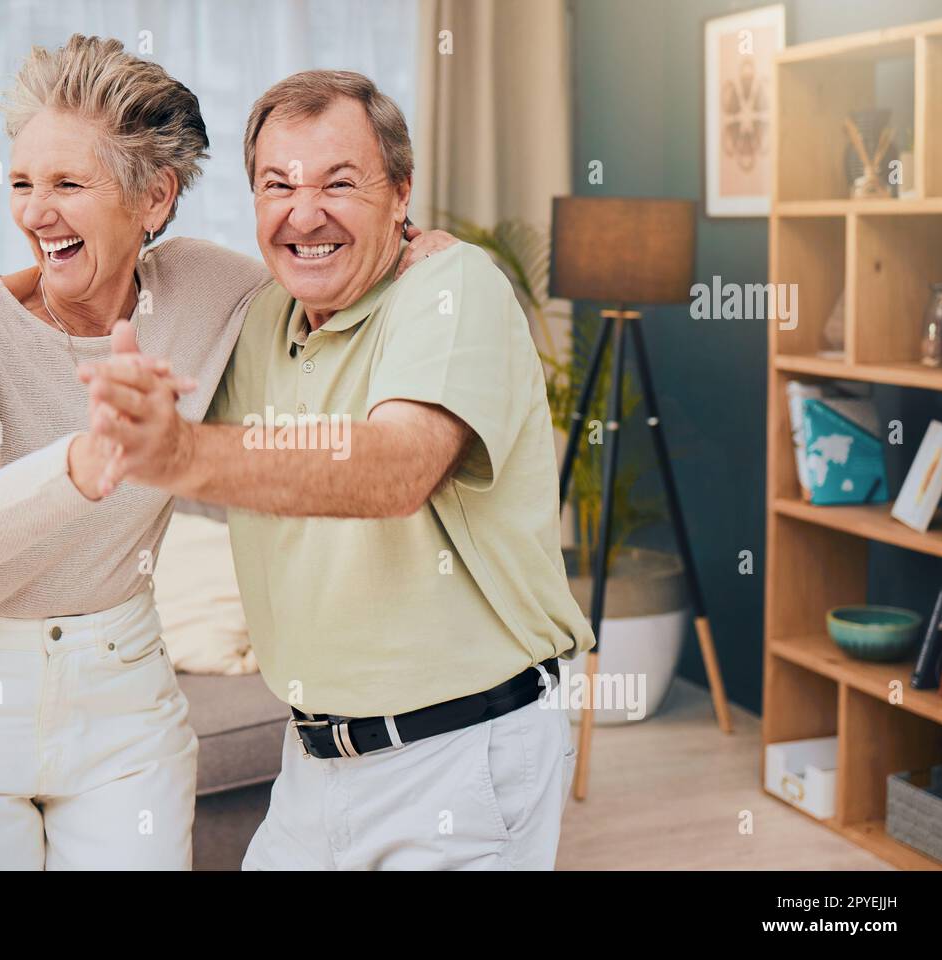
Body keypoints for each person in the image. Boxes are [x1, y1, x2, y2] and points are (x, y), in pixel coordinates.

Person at [0, 37, 450, 870]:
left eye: (69, 184)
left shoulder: (205, 289)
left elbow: (326, 261)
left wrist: (422, 251)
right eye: (24, 184)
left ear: (154, 199)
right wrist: (87, 460)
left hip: (123, 696)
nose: (37, 212)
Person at [80, 70, 597, 870]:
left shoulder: (452, 289)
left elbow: (397, 468)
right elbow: (89, 282)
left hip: (458, 759)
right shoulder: (255, 322)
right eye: (277, 185)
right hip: (314, 764)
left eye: (340, 183)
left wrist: (182, 454)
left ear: (402, 194)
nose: (304, 212)